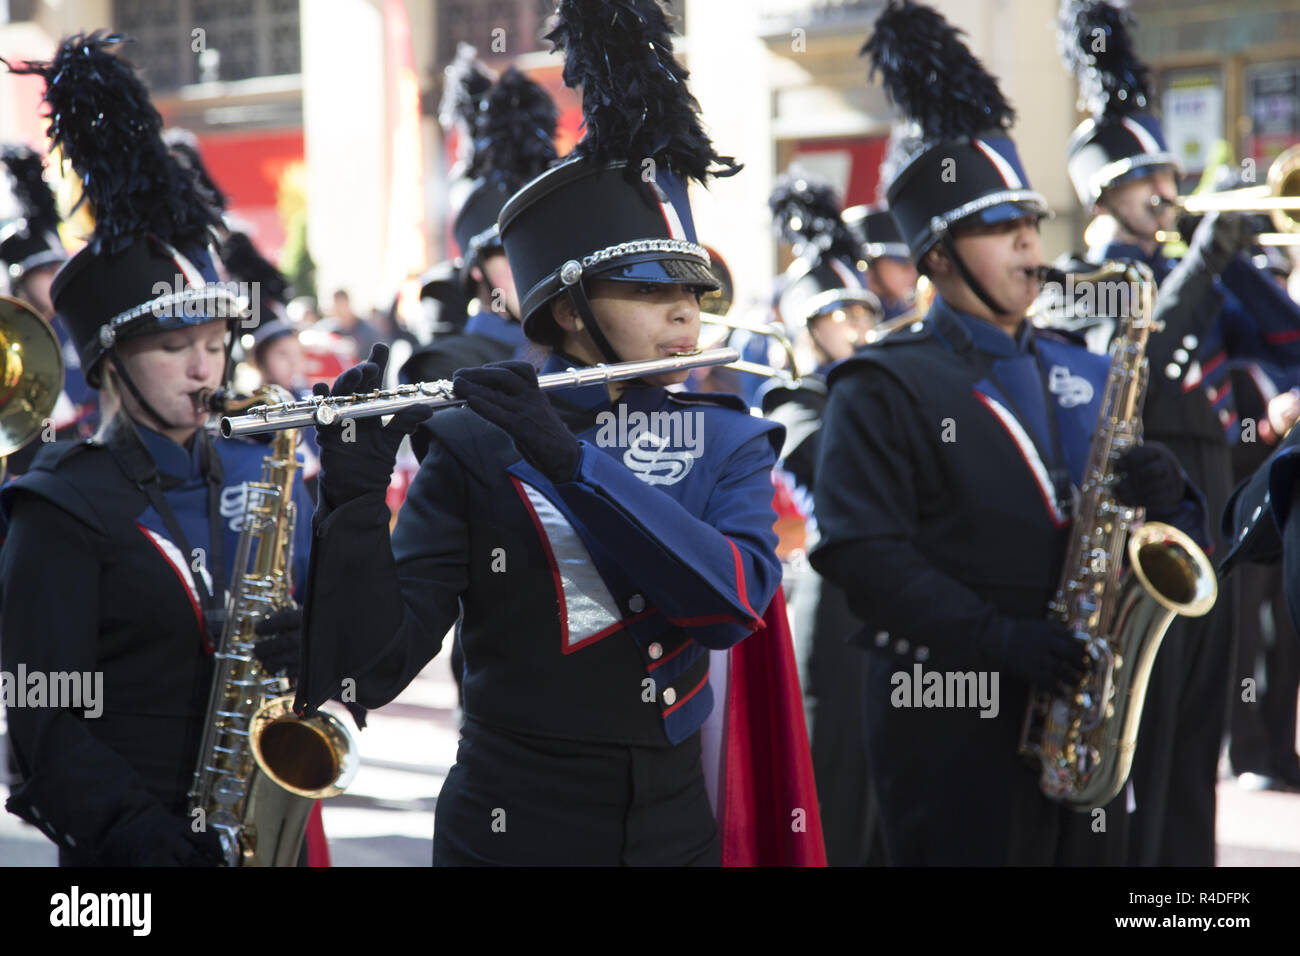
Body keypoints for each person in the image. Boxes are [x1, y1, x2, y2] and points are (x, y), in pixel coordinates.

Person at [293, 0, 794, 866]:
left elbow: (729, 604)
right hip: (512, 821)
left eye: (694, 291)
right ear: (566, 310)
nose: (685, 310)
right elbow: (366, 672)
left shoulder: (728, 438)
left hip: (674, 826)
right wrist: (352, 500)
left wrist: (574, 462)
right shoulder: (474, 444)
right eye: (647, 290)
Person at [809, 0, 1204, 865]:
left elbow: (1149, 536)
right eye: (1003, 230)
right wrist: (998, 641)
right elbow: (861, 554)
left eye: (1033, 226)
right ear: (939, 254)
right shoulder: (882, 382)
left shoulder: (1090, 366)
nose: (1033, 248)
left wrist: (1173, 497)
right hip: (951, 720)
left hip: (1083, 715)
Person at [0, 32, 319, 866]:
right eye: (174, 343)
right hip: (131, 859)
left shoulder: (264, 466)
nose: (204, 363)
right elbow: (41, 714)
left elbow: (371, 661)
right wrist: (145, 843)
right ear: (107, 362)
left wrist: (352, 515)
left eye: (216, 340)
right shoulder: (63, 504)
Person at [1058, 0, 1300, 864]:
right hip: (1139, 502)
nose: (1167, 194)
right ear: (1103, 191)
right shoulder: (1080, 276)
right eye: (1146, 182)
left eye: (1169, 176)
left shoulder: (1187, 262)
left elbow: (1286, 339)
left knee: (1197, 724)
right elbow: (1143, 355)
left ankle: (1187, 889)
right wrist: (1201, 261)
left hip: (1213, 504)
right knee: (1147, 727)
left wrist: (1231, 252)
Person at [760, 240, 884, 866]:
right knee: (834, 785)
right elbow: (839, 483)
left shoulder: (863, 392)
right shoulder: (791, 405)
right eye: (846, 315)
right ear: (809, 324)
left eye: (867, 313)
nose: (864, 327)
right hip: (825, 608)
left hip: (883, 605)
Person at [0, 145, 100, 464]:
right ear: (19, 282)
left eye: (57, 267)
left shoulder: (80, 321)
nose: (55, 277)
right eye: (43, 272)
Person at [843, 203, 919, 322]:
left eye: (913, 264)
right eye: (903, 263)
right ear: (869, 263)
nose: (913, 273)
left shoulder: (904, 309)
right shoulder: (846, 316)